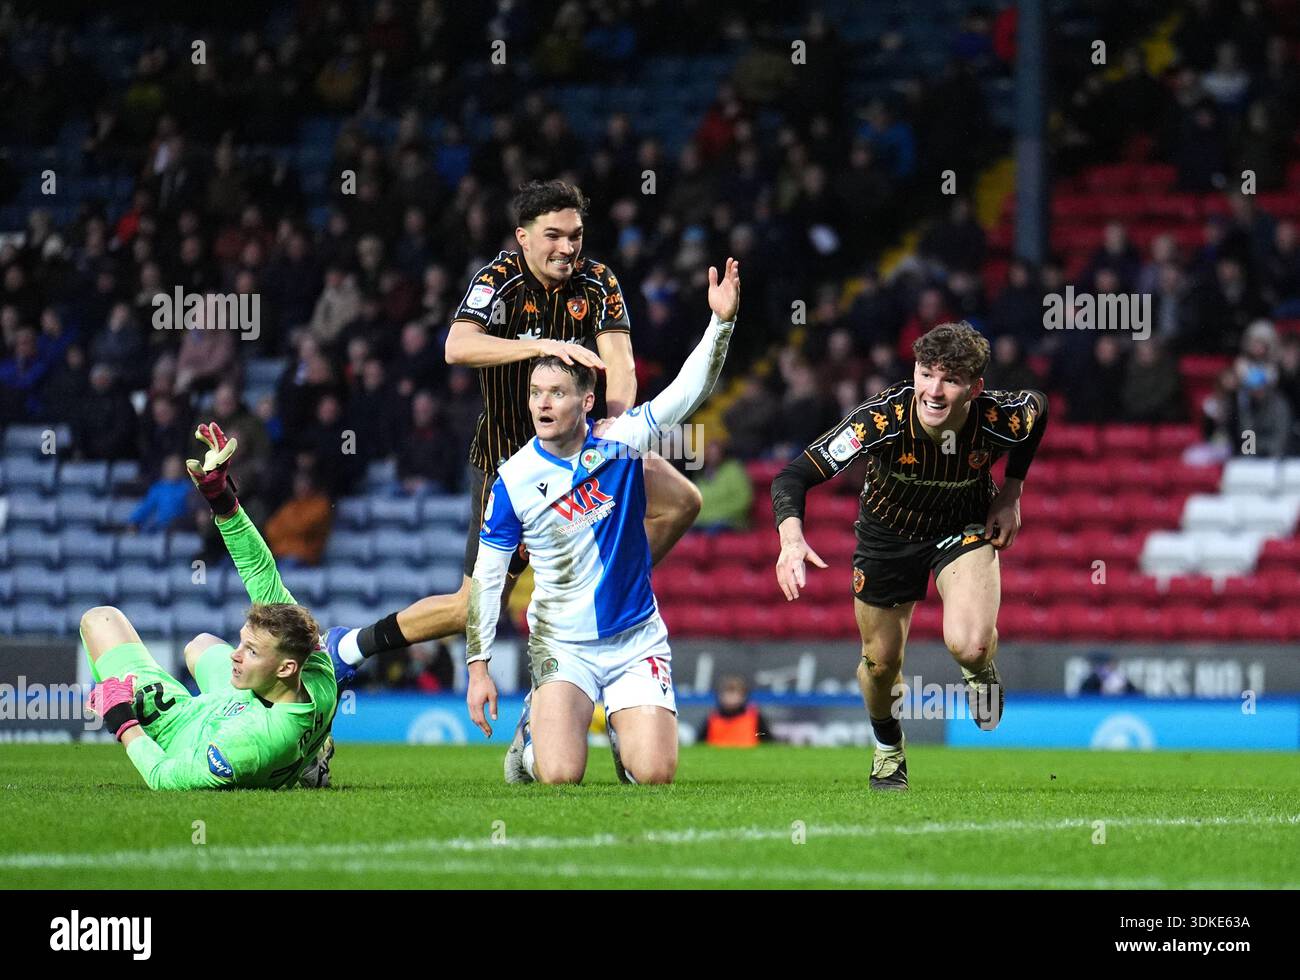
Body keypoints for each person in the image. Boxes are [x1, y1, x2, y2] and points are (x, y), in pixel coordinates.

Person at [334, 180, 702, 671]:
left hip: (585, 453)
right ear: (523, 237)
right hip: (507, 464)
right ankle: (349, 646)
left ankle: (595, 590)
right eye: (553, 235)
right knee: (472, 608)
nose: (567, 247)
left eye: (575, 235)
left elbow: (621, 364)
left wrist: (613, 432)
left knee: (682, 503)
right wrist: (541, 346)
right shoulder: (499, 280)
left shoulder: (598, 283)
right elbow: (456, 347)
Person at [464, 257, 740, 785]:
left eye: (557, 393)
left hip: (636, 640)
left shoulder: (620, 444)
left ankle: (623, 729)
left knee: (654, 777)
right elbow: (489, 576)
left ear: (587, 401)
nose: (542, 404)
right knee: (560, 776)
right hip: (561, 644)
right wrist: (478, 668)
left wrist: (720, 323)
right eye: (535, 392)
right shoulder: (513, 478)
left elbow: (689, 390)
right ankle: (531, 738)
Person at [771, 322, 1048, 791]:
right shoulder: (880, 421)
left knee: (970, 644)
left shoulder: (1000, 418)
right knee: (880, 664)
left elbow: (1037, 410)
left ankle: (981, 673)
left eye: (951, 379)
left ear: (974, 388)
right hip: (887, 538)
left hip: (962, 528)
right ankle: (888, 748)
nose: (934, 391)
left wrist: (1012, 492)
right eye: (925, 374)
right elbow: (793, 477)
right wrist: (791, 539)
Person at [83, 422, 358, 789]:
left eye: (251, 650)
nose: (236, 654)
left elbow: (166, 778)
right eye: (243, 643)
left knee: (98, 618)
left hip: (185, 725)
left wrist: (123, 723)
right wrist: (223, 502)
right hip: (236, 700)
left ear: (286, 667)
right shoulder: (317, 668)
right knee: (200, 645)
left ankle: (305, 764)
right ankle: (310, 759)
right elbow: (261, 571)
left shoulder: (250, 744)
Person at [698, 675, 771, 747]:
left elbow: (767, 739)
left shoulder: (754, 717)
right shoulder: (712, 718)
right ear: (720, 696)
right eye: (728, 694)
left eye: (735, 694)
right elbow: (700, 743)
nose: (731, 699)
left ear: (743, 697)